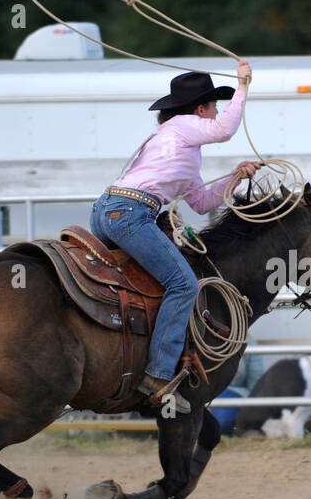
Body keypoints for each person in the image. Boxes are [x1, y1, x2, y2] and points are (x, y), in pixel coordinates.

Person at [90, 63, 261, 414]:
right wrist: (242, 86)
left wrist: (236, 178)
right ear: (199, 109)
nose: (216, 112)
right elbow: (226, 128)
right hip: (131, 214)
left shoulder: (178, 148)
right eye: (213, 106)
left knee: (148, 285)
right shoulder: (182, 125)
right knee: (183, 285)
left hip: (110, 211)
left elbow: (200, 203)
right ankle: (158, 378)